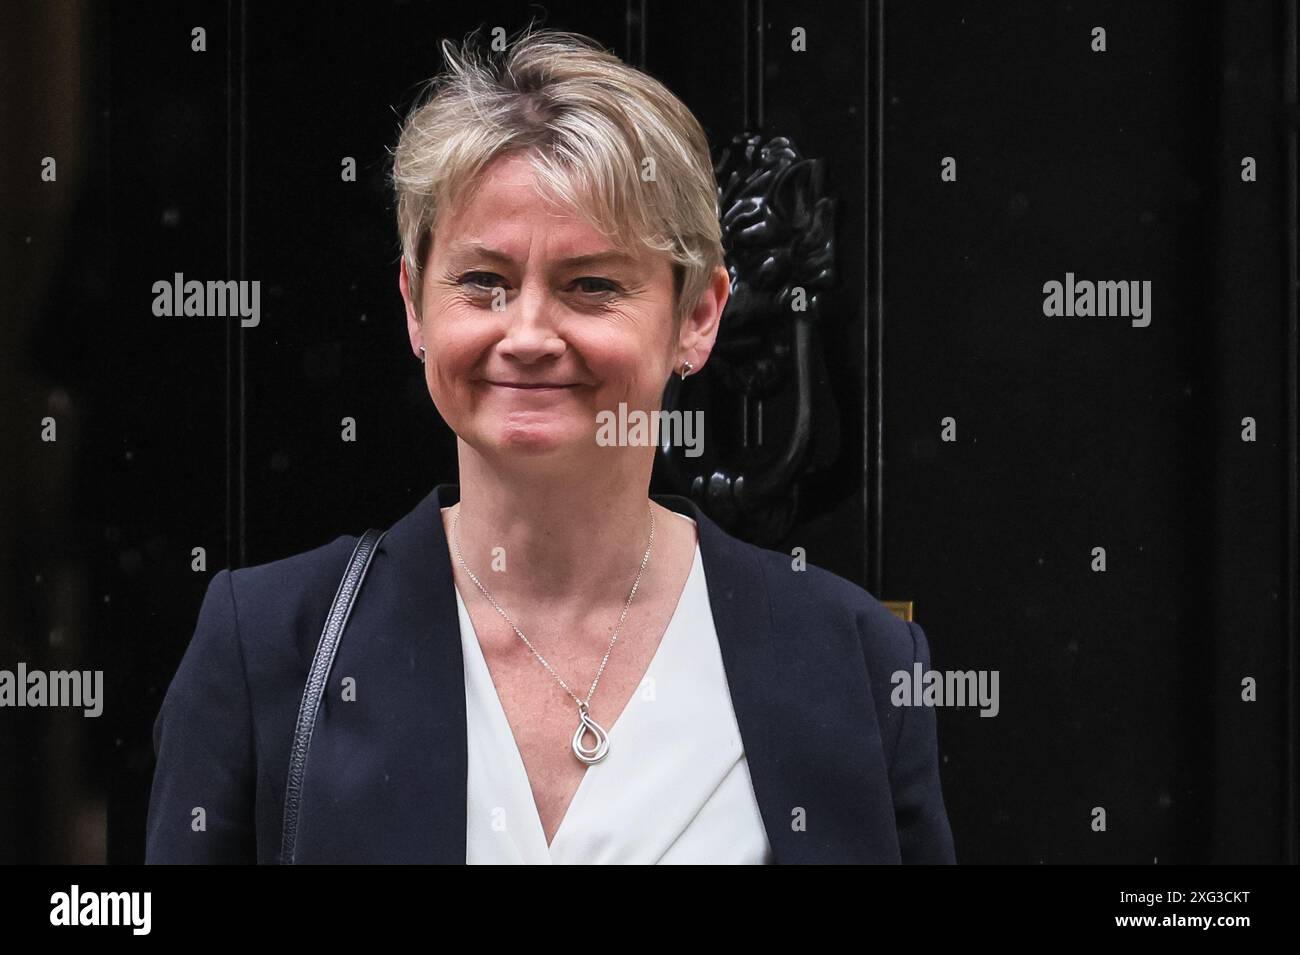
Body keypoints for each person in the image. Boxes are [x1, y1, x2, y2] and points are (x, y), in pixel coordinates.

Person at [145, 26, 956, 864]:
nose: (527, 333)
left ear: (699, 316)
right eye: (482, 281)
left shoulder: (855, 663)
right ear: (415, 305)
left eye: (591, 285)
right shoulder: (269, 644)